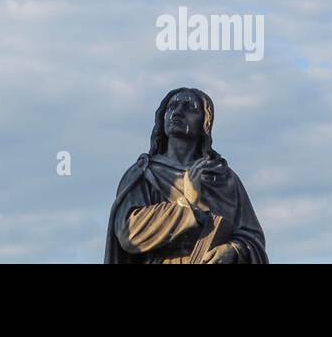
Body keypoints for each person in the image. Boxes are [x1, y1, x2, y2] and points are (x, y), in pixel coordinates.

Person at [104, 86, 267, 264]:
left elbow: (253, 238)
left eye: (189, 107)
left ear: (205, 122)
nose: (178, 112)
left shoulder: (224, 178)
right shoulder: (144, 174)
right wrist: (186, 205)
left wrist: (234, 250)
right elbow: (129, 233)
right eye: (172, 106)